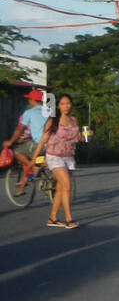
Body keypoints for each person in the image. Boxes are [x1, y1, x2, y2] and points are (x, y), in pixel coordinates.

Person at [32, 93, 82, 228]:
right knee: (67, 185)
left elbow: (78, 138)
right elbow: (43, 140)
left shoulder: (74, 120)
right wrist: (34, 158)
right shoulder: (53, 121)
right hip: (54, 156)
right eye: (63, 104)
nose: (66, 106)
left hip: (68, 156)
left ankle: (52, 218)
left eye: (68, 103)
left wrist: (85, 135)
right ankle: (69, 219)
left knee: (61, 188)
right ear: (58, 106)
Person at [2, 88, 50, 195]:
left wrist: (10, 142)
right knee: (36, 161)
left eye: (29, 99)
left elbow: (20, 129)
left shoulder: (29, 113)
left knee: (18, 152)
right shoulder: (49, 110)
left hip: (37, 144)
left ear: (33, 100)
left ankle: (32, 169)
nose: (28, 101)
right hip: (50, 144)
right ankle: (33, 177)